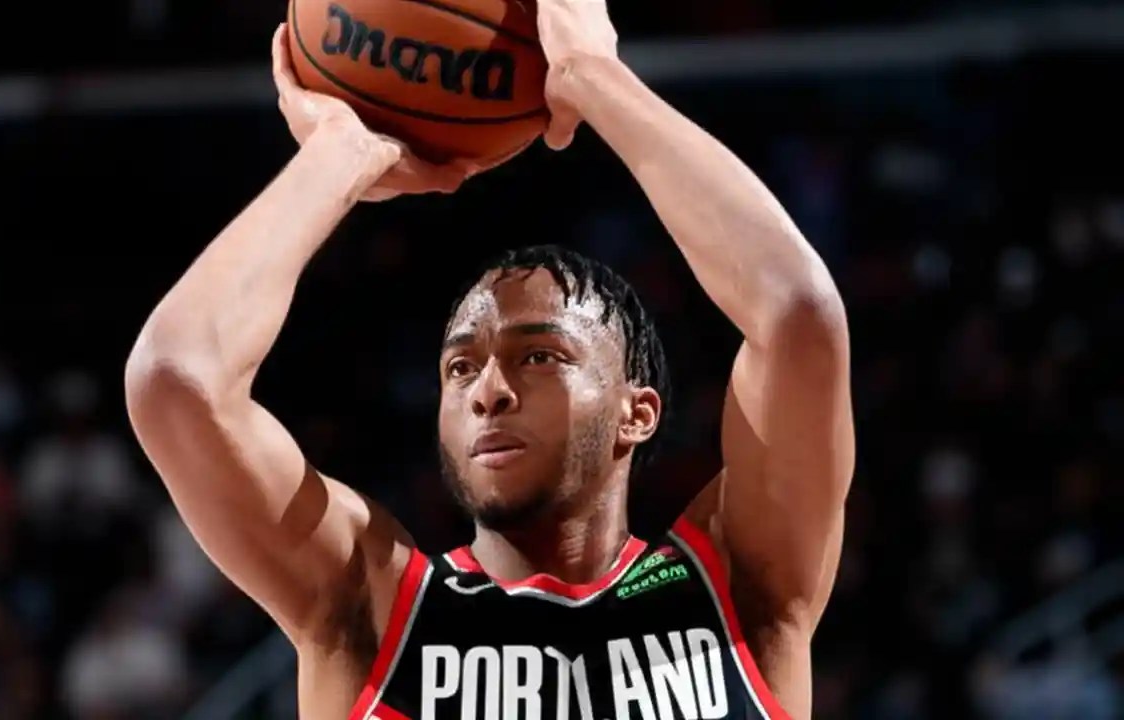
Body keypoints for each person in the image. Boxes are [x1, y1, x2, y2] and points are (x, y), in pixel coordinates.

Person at [124, 0, 854, 717]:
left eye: (540, 355)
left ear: (637, 413)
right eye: (460, 367)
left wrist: (593, 78)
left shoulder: (738, 589)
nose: (488, 391)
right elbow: (176, 379)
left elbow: (797, 315)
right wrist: (341, 154)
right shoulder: (370, 609)